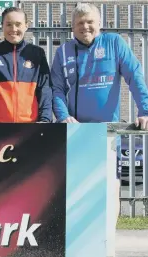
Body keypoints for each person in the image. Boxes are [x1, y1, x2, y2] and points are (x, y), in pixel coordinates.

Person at [50, 2, 148, 245]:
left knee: (109, 188)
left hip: (107, 133)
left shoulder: (114, 43)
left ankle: (108, 239)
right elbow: (56, 90)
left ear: (100, 24)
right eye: (80, 23)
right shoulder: (62, 52)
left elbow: (134, 75)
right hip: (74, 132)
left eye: (90, 21)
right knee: (74, 188)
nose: (86, 26)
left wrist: (145, 109)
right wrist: (63, 116)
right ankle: (77, 241)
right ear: (72, 27)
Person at [0, 7, 52, 123]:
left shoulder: (37, 53)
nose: (13, 29)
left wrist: (45, 120)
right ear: (2, 25)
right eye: (9, 24)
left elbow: (45, 90)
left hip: (31, 127)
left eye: (18, 24)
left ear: (26, 25)